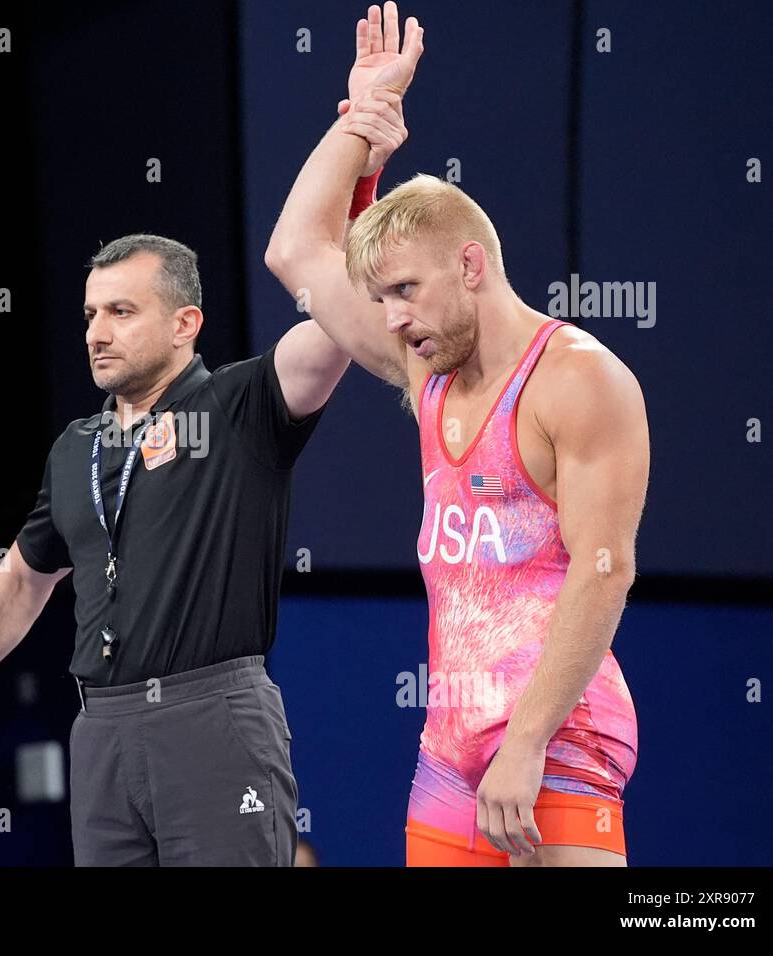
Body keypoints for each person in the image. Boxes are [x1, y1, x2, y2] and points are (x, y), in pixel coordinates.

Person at [267, 3, 648, 866]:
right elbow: (297, 249)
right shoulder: (429, 372)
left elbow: (606, 569)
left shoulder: (580, 379)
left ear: (471, 266)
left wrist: (528, 744)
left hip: (561, 738)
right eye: (385, 297)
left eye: (405, 290)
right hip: (448, 749)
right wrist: (363, 127)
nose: (391, 321)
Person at [0, 229, 374, 865]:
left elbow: (345, 319)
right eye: (90, 314)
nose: (96, 333)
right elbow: (22, 581)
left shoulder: (238, 407)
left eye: (121, 312)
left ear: (184, 323)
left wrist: (361, 181)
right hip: (101, 733)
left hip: (213, 720)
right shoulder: (75, 447)